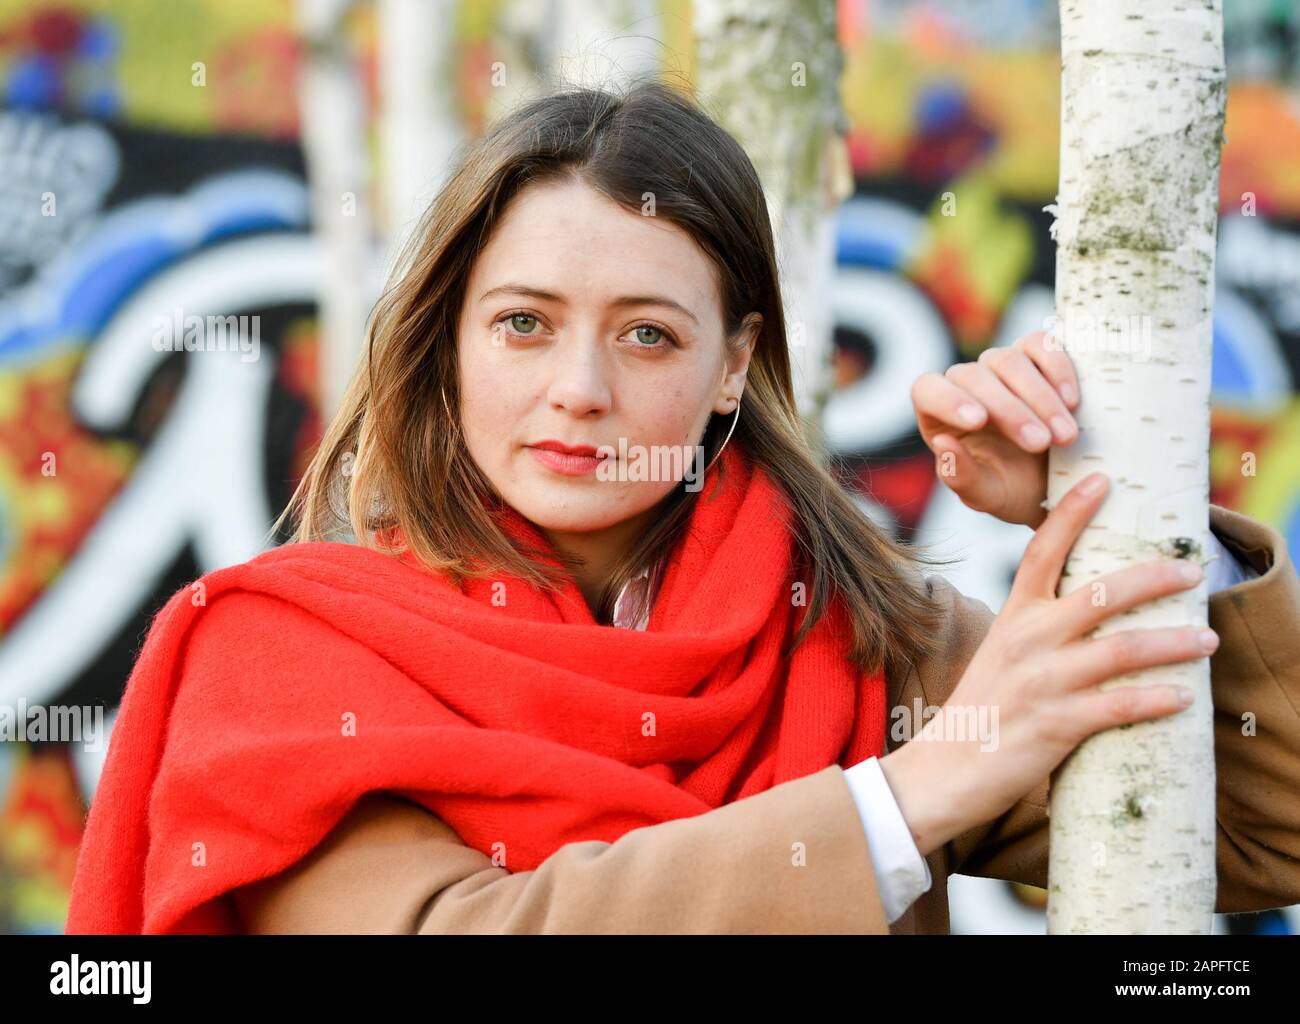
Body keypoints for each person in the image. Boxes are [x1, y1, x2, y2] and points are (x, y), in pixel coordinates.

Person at [65, 80, 1300, 936]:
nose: (579, 391)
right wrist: (913, 796)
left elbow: (1260, 829)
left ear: (728, 365)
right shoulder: (290, 655)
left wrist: (1107, 514)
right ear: (451, 344)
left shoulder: (852, 629)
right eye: (523, 324)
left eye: (647, 335)